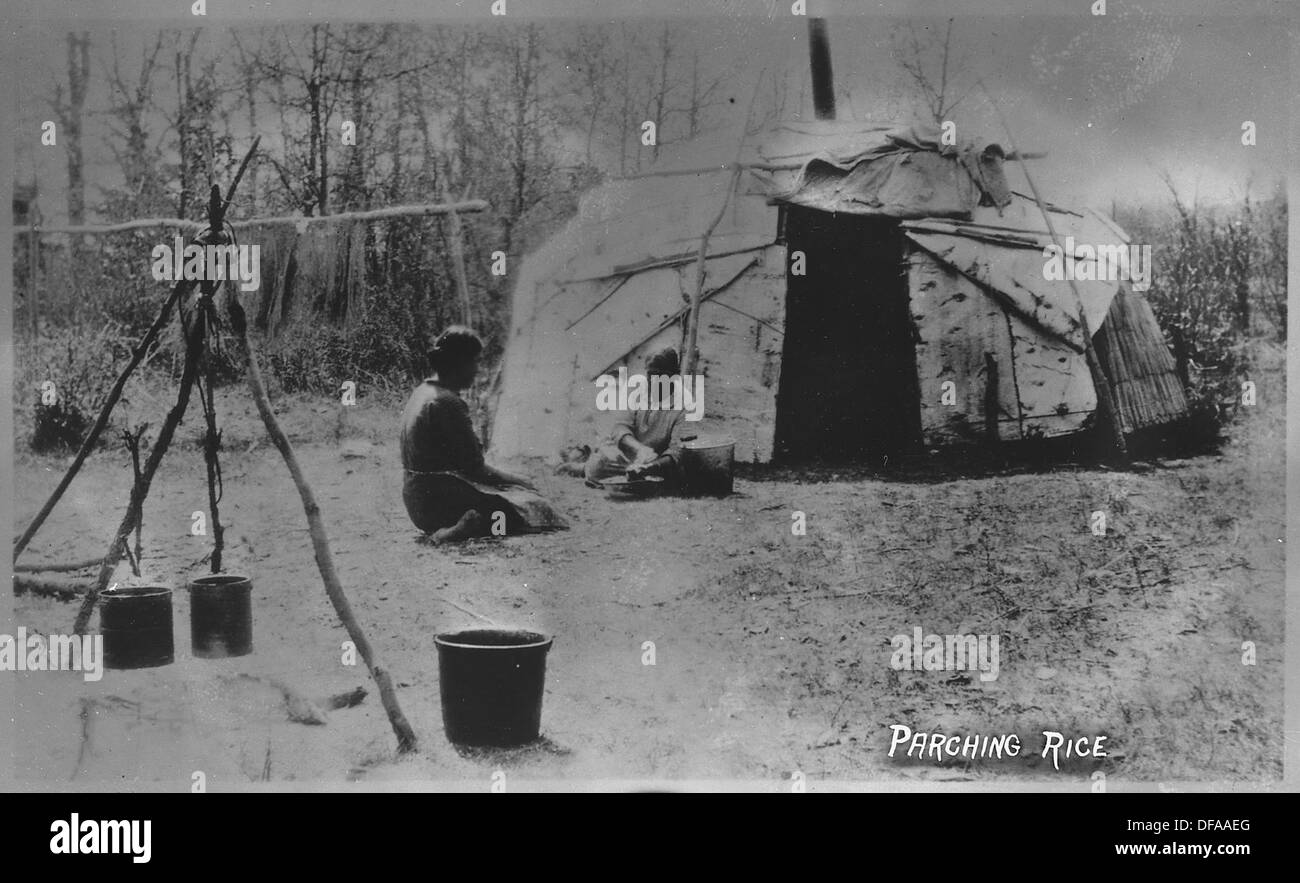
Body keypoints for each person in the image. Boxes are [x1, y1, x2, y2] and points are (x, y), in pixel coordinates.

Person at [400, 326, 567, 542]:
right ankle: (456, 531)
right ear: (459, 363)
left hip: (416, 501)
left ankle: (453, 529)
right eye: (475, 362)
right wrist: (522, 481)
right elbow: (476, 470)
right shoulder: (447, 402)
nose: (477, 370)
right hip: (439, 502)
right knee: (535, 507)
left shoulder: (422, 392)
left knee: (514, 498)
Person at [584, 347, 685, 486]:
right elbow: (620, 427)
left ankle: (635, 476)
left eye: (660, 376)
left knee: (664, 478)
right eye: (650, 375)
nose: (654, 381)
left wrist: (648, 467)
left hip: (657, 464)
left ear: (675, 376)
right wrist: (639, 448)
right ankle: (584, 468)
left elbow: (677, 452)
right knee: (598, 464)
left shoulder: (684, 408)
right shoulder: (639, 394)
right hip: (631, 458)